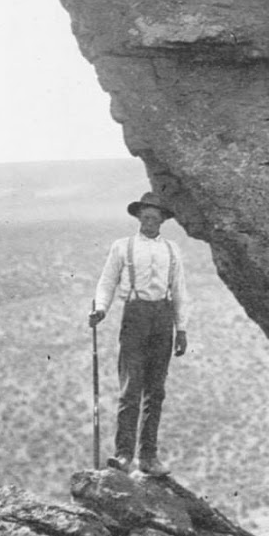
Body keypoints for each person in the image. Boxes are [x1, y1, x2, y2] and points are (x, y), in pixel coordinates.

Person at [88, 193, 189, 475]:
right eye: (145, 217)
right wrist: (100, 309)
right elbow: (107, 281)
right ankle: (123, 455)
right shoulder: (123, 247)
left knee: (155, 391)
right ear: (138, 218)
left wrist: (181, 328)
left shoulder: (172, 250)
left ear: (162, 221)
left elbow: (179, 289)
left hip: (163, 318)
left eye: (155, 219)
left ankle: (148, 457)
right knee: (130, 390)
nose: (149, 223)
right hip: (135, 316)